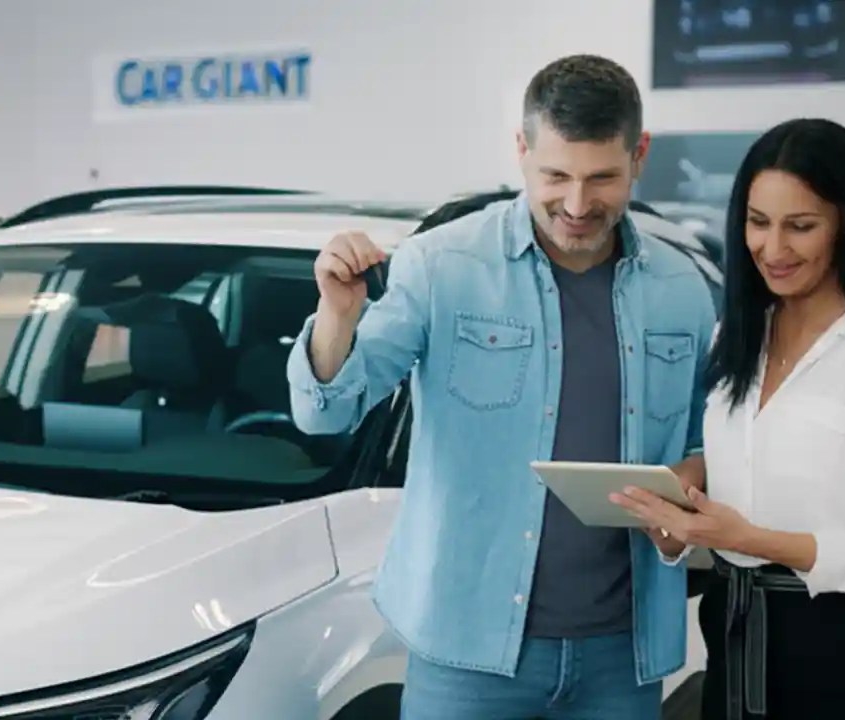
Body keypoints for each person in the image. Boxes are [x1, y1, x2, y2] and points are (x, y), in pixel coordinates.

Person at [287, 54, 717, 719]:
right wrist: (339, 315)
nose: (577, 205)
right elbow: (326, 413)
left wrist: (688, 493)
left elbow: (701, 439)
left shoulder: (681, 289)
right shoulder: (439, 265)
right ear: (521, 151)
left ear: (641, 155)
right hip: (466, 655)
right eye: (555, 176)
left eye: (602, 177)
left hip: (621, 658)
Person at [611, 118, 845, 720]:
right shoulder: (739, 337)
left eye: (800, 226)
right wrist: (685, 487)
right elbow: (751, 460)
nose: (773, 249)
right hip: (733, 636)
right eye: (758, 222)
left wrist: (744, 538)